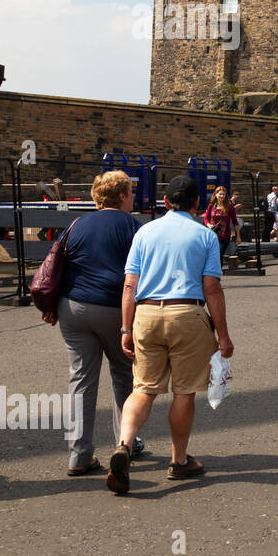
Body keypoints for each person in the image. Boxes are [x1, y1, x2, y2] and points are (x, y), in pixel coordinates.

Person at [110, 175, 234, 494]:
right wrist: (223, 335)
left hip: (147, 313)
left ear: (165, 202)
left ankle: (124, 444)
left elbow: (129, 286)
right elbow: (212, 288)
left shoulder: (144, 232)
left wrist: (126, 328)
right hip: (187, 314)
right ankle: (178, 461)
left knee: (143, 388)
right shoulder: (204, 236)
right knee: (183, 392)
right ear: (197, 204)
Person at [43, 170, 145, 476]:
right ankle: (126, 441)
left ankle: (79, 455)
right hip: (113, 307)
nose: (134, 197)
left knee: (81, 380)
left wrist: (50, 305)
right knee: (123, 372)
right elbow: (142, 274)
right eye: (131, 192)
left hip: (73, 307)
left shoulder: (77, 224)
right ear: (123, 196)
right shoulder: (132, 226)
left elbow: (57, 263)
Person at [202, 185, 239, 260]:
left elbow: (235, 222)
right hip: (212, 236)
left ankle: (218, 271)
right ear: (215, 194)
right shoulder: (212, 205)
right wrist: (209, 225)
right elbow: (206, 219)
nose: (222, 196)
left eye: (223, 194)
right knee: (213, 256)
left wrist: (238, 236)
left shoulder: (230, 206)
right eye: (220, 194)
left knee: (218, 254)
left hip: (224, 236)